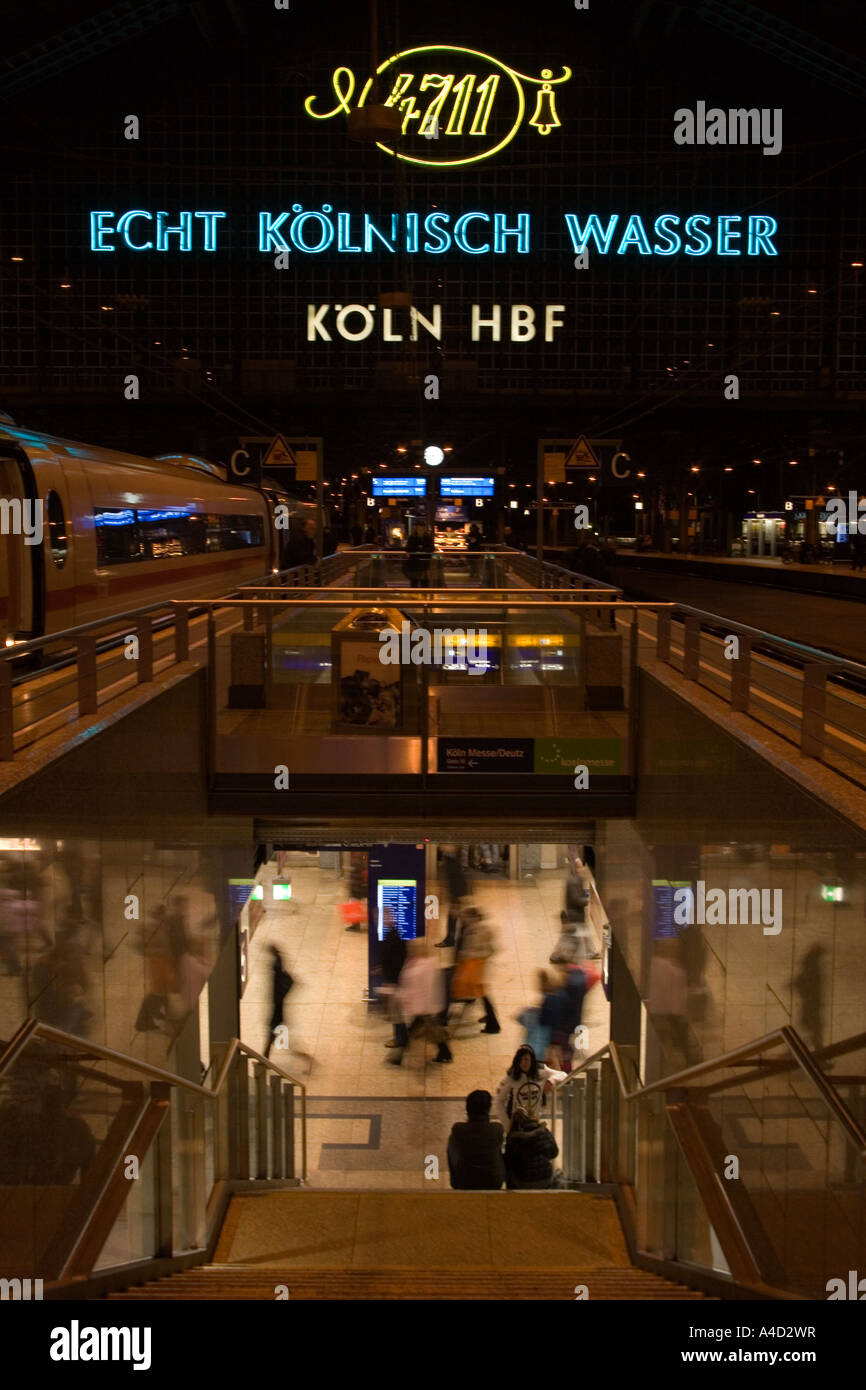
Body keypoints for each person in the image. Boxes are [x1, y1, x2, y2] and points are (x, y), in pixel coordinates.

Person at [388, 940, 452, 1065]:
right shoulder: (430, 964)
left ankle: (397, 1057)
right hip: (427, 1006)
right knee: (432, 1031)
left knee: (420, 1031)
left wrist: (406, 1001)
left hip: (422, 1007)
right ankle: (444, 1053)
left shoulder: (417, 968)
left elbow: (414, 989)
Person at [451, 904, 500, 1033]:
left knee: (482, 994)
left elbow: (491, 950)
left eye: (467, 917)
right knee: (481, 995)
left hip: (478, 969)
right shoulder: (470, 929)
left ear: (474, 918)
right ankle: (490, 1020)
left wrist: (473, 954)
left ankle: (493, 1025)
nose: (465, 920)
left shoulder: (483, 930)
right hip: (473, 969)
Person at [493, 1045, 566, 1132]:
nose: (523, 1063)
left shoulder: (541, 1071)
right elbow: (498, 1101)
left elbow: (563, 1075)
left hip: (535, 1123)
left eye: (526, 1059)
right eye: (520, 1060)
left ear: (532, 1060)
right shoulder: (511, 1077)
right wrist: (508, 1126)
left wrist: (551, 1081)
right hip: (517, 1126)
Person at [447, 1090, 505, 1190]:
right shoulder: (496, 1129)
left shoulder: (458, 1130)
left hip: (465, 1182)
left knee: (453, 1144)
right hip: (493, 1182)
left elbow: (452, 1156)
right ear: (488, 1109)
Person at [504, 1106, 560, 1189]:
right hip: (545, 1179)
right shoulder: (544, 1132)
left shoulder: (513, 1137)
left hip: (521, 1181)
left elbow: (508, 1161)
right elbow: (554, 1153)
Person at [435, 845, 468, 948]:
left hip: (457, 892)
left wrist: (455, 899)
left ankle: (454, 941)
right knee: (455, 917)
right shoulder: (449, 858)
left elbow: (456, 878)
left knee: (458, 917)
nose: (443, 846)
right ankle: (452, 940)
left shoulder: (454, 860)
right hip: (455, 891)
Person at [265, 945, 294, 1057]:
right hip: (277, 1004)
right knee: (274, 1027)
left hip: (277, 1005)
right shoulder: (279, 976)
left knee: (273, 1027)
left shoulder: (278, 977)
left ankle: (266, 1052)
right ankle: (266, 1051)